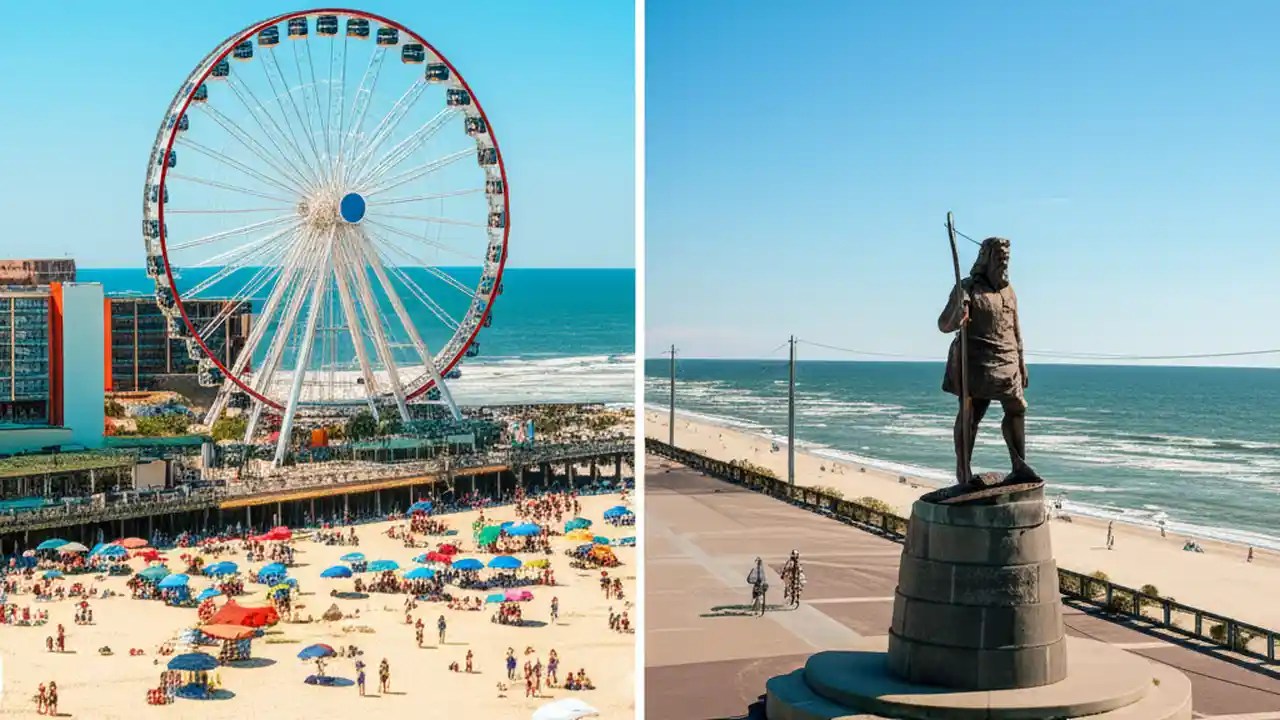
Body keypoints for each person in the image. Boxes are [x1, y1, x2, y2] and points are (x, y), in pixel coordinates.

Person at [937, 236, 1037, 485]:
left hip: (1008, 362)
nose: (1004, 262)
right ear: (986, 258)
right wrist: (958, 313)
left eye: (1006, 258)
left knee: (1017, 409)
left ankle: (1019, 466)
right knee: (971, 415)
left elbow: (1016, 330)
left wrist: (1022, 362)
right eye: (999, 257)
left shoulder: (1010, 292)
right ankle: (964, 471)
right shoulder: (968, 287)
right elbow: (944, 325)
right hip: (977, 364)